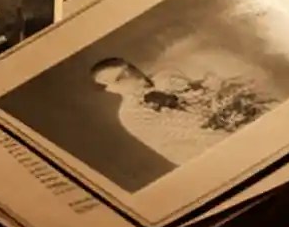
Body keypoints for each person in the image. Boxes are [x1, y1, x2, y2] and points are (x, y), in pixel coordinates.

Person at [89, 57, 275, 166]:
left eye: (130, 68)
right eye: (120, 78)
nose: (133, 75)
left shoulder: (165, 75)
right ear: (110, 89)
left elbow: (205, 93)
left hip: (238, 126)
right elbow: (189, 138)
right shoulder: (131, 115)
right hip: (216, 155)